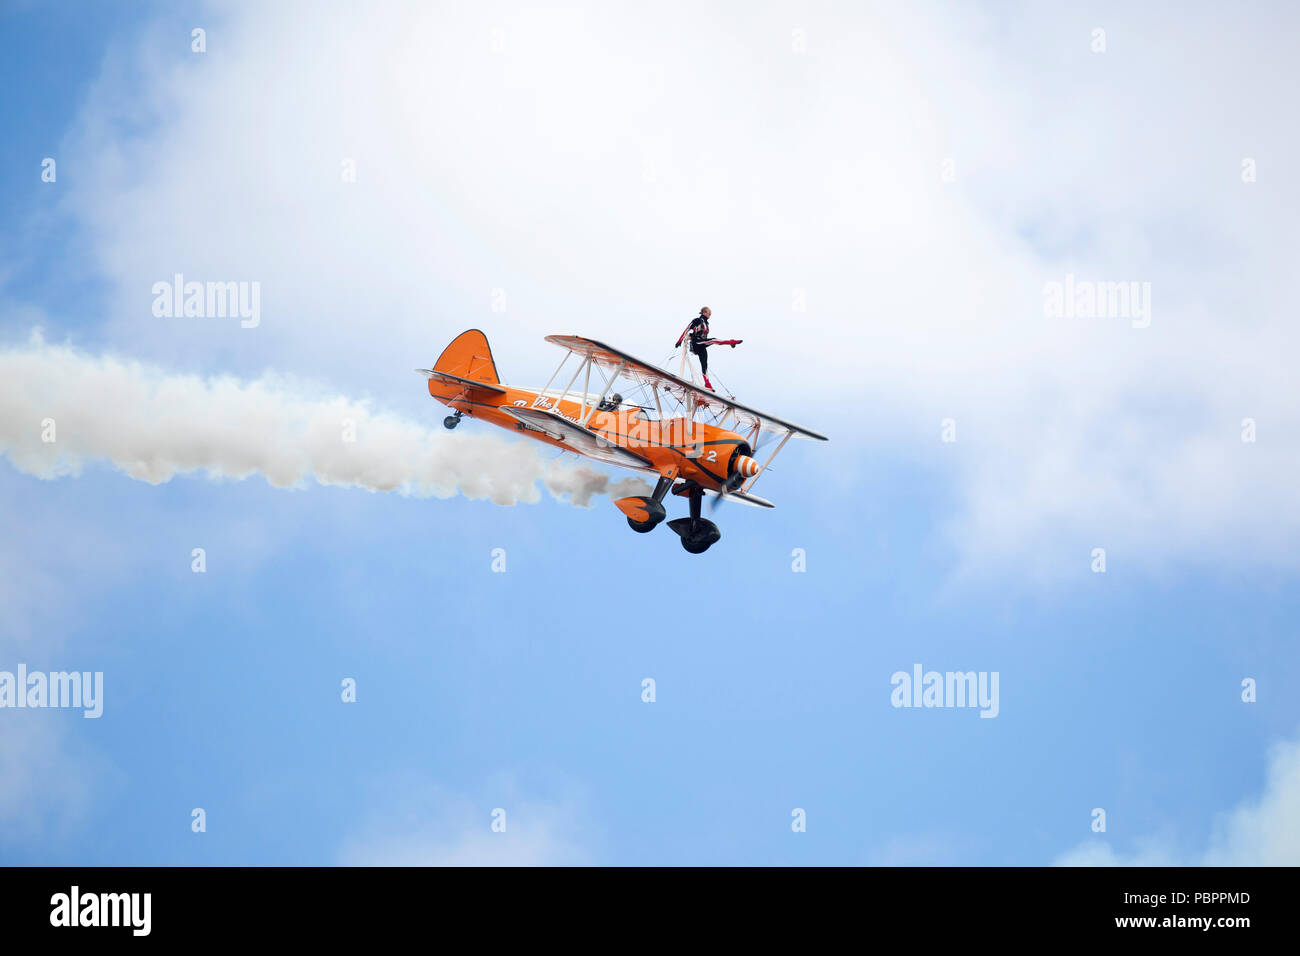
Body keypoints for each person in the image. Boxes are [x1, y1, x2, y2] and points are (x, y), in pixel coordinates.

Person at [674, 306, 740, 391]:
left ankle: (707, 384)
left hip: (702, 345)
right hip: (696, 343)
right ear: (704, 313)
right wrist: (679, 341)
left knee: (704, 364)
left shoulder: (706, 323)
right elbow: (686, 329)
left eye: (710, 313)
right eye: (709, 313)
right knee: (713, 340)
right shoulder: (697, 320)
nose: (710, 314)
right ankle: (731, 342)